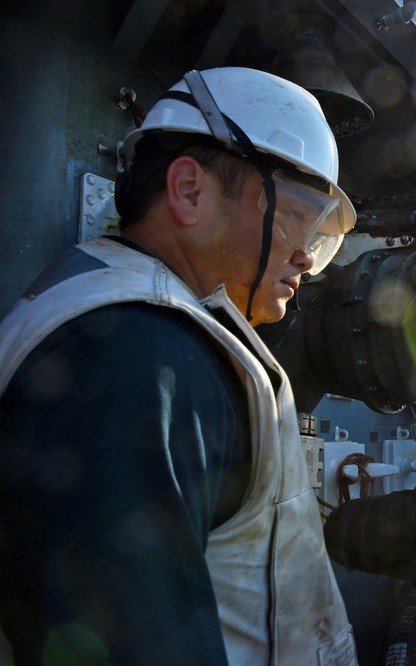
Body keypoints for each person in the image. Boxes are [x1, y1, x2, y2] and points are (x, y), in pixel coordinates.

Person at [0, 68, 358, 664]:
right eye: (296, 215)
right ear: (190, 191)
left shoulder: (128, 326)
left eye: (322, 236)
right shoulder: (136, 359)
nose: (306, 255)